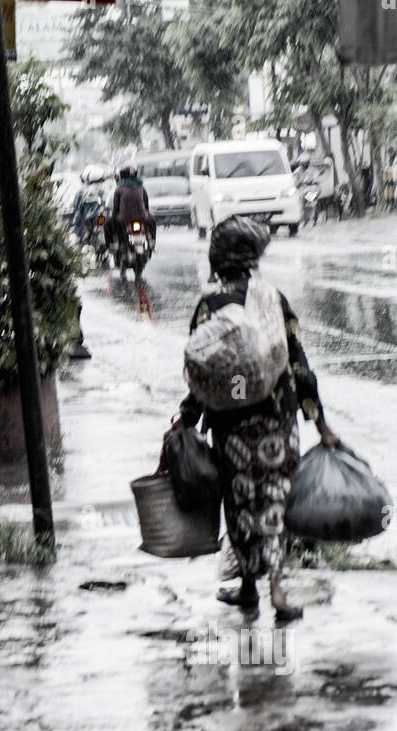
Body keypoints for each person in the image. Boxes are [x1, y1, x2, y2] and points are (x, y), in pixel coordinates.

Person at [179, 215, 340, 622]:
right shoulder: (273, 298)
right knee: (274, 501)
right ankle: (278, 592)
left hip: (231, 423)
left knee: (240, 501)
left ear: (219, 260)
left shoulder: (210, 305)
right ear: (251, 260)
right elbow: (299, 363)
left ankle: (249, 588)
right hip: (277, 416)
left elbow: (201, 372)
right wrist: (319, 422)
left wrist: (187, 418)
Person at [106, 164, 156, 254]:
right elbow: (146, 204)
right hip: (142, 217)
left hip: (124, 219)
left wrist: (113, 217)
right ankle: (151, 242)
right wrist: (146, 214)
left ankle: (113, 244)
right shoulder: (141, 187)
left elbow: (116, 208)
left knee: (108, 223)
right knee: (152, 221)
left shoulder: (118, 189)